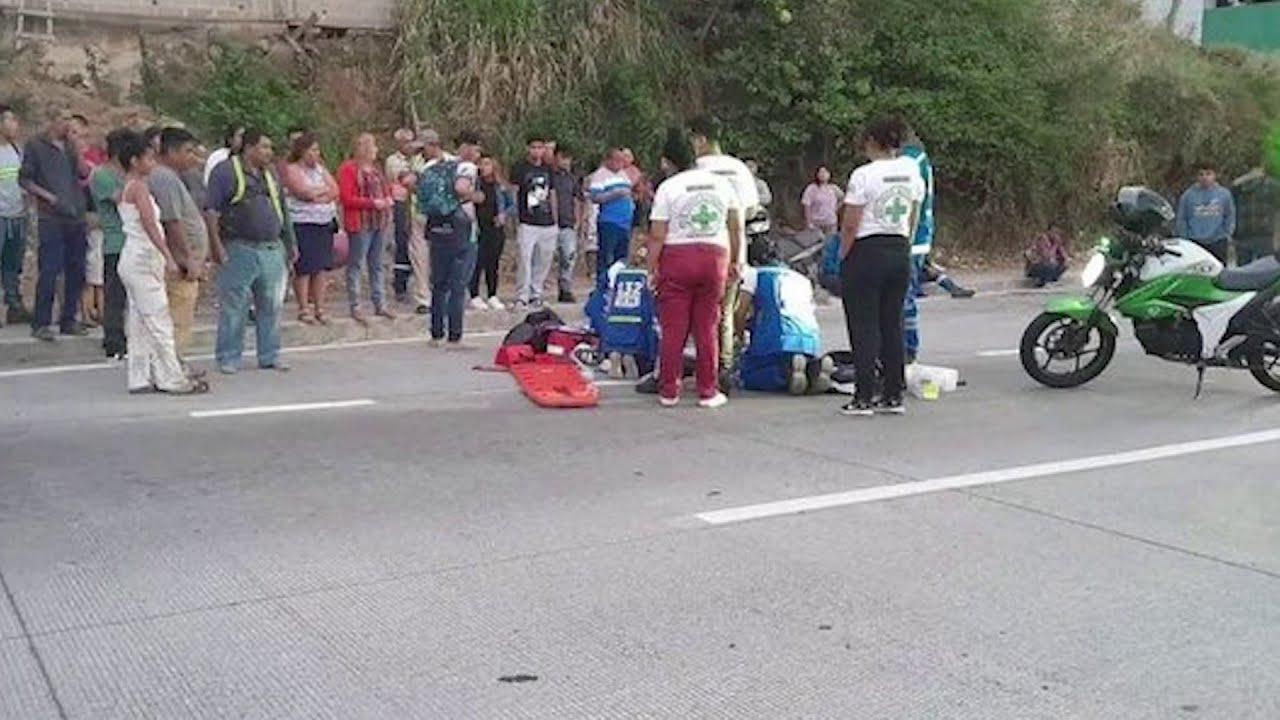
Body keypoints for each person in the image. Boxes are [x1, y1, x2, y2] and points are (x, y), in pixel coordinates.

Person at [837, 115, 926, 417]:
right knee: (892, 323)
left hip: (867, 248)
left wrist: (844, 256)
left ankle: (863, 395)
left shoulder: (864, 175)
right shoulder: (912, 171)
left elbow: (851, 224)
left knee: (864, 325)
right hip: (899, 247)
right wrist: (906, 244)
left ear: (872, 141)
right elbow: (913, 213)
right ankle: (893, 394)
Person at [648, 128, 742, 409]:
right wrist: (737, 260)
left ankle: (668, 390)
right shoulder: (722, 185)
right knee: (707, 325)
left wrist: (651, 268)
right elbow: (735, 226)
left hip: (678, 257)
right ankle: (708, 390)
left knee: (673, 327)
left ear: (668, 161)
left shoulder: (668, 188)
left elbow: (657, 235)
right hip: (715, 256)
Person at [115, 131, 208, 395]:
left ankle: (139, 375)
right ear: (135, 161)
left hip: (134, 257)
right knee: (159, 320)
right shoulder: (140, 188)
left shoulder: (127, 187)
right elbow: (151, 225)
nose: (153, 162)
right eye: (148, 158)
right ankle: (171, 378)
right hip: (144, 258)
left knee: (139, 321)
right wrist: (168, 255)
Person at [205, 128, 296, 374]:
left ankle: (270, 354)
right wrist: (216, 247)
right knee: (235, 305)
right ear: (249, 147)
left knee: (271, 303)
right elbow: (212, 211)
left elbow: (283, 210)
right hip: (238, 247)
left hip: (271, 248)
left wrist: (290, 243)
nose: (269, 152)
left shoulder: (271, 174)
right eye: (264, 147)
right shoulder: (225, 172)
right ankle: (228, 356)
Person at [690, 115, 761, 392]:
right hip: (733, 245)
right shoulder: (739, 168)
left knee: (695, 308)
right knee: (725, 310)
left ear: (701, 139)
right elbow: (752, 210)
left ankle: (700, 366)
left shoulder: (694, 168)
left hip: (697, 244)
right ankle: (724, 368)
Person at [21, 107, 90, 341]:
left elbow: (82, 173)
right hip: (50, 216)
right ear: (52, 121)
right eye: (63, 120)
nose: (67, 126)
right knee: (50, 268)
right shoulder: (35, 146)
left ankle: (68, 318)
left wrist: (77, 149)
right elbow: (25, 179)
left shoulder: (70, 147)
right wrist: (49, 197)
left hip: (75, 213)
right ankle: (41, 322)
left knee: (76, 268)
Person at [735, 241, 829, 395]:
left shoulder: (753, 274)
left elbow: (740, 311)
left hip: (777, 338)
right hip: (809, 340)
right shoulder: (801, 279)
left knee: (749, 374)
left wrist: (738, 339)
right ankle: (813, 368)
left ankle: (784, 372)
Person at [149, 127, 208, 359]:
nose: (192, 157)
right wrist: (187, 258)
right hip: (179, 263)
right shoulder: (164, 178)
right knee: (177, 319)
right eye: (188, 151)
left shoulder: (172, 177)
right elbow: (172, 222)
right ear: (171, 151)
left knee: (180, 319)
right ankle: (171, 366)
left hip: (182, 259)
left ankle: (172, 364)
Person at [417, 130, 477, 348]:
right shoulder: (465, 167)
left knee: (439, 283)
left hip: (436, 228)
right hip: (461, 229)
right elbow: (462, 188)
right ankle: (455, 335)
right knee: (458, 284)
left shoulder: (428, 168)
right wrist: (473, 195)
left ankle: (435, 333)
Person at [337, 132, 395, 325]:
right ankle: (355, 304)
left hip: (379, 222)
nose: (376, 150)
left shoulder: (376, 170)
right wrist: (372, 203)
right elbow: (346, 197)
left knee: (377, 264)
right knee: (357, 263)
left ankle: (380, 303)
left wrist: (387, 199)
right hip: (360, 222)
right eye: (373, 147)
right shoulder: (348, 169)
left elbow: (385, 189)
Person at [281, 132, 338, 325]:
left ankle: (320, 307)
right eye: (312, 150)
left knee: (321, 267)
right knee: (304, 267)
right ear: (302, 151)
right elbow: (303, 193)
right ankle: (303, 307)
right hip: (302, 223)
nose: (316, 153)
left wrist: (319, 194)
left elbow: (334, 190)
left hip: (323, 222)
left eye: (317, 150)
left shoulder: (320, 170)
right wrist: (319, 193)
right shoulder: (292, 169)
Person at [90, 129, 130, 358]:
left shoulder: (126, 174)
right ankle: (113, 341)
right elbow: (122, 198)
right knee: (115, 295)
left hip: (131, 241)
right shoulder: (102, 175)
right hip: (115, 241)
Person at [510, 134, 558, 309]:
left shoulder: (548, 169)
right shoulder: (520, 168)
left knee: (544, 258)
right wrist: (515, 217)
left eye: (540, 147)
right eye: (534, 147)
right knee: (525, 258)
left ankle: (536, 292)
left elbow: (552, 193)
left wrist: (555, 218)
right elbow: (514, 192)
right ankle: (522, 294)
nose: (537, 151)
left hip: (547, 221)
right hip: (527, 220)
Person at [900, 134, 935, 364]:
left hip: (910, 242)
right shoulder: (919, 158)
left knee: (904, 297)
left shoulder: (909, 161)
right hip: (918, 240)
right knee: (905, 295)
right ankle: (904, 347)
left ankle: (907, 348)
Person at [73, 115, 107, 329]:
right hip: (80, 217)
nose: (81, 140)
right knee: (86, 269)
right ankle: (84, 312)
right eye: (76, 134)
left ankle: (100, 311)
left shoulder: (96, 157)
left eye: (84, 135)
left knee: (98, 268)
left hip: (98, 219)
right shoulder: (69, 158)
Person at [588, 148, 636, 295]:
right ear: (608, 160)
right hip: (609, 221)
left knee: (621, 257)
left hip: (625, 222)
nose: (620, 163)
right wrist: (614, 194)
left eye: (622, 160)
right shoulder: (600, 175)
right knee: (606, 255)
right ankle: (602, 287)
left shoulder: (623, 174)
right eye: (617, 160)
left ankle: (617, 286)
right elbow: (595, 197)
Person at [0, 104, 31, 326]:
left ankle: (14, 305)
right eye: (9, 120)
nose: (14, 125)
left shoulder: (17, 150)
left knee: (13, 264)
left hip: (17, 216)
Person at [469, 154, 510, 309]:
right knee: (477, 261)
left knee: (493, 263)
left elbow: (510, 203)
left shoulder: (500, 186)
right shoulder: (475, 184)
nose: (483, 167)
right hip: (478, 227)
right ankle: (474, 294)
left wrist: (503, 214)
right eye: (481, 164)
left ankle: (492, 294)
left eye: (487, 164)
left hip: (495, 227)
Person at [1175, 162, 1236, 264]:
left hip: (1218, 241)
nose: (1205, 177)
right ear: (1196, 177)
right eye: (1201, 174)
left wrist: (1226, 233)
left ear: (1215, 175)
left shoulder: (1224, 194)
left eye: (1208, 174)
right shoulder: (1188, 196)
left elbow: (1230, 215)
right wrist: (1185, 239)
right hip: (1195, 242)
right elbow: (1182, 219)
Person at [385, 128, 420, 304]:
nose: (409, 145)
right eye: (405, 141)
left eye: (411, 141)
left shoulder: (416, 160)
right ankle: (400, 285)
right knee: (402, 243)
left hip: (416, 204)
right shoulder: (393, 161)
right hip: (401, 204)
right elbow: (405, 179)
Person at [551, 144, 582, 304]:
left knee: (568, 256)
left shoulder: (572, 178)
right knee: (547, 257)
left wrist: (577, 219)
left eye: (568, 158)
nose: (566, 161)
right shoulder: (550, 176)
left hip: (568, 223)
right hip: (550, 223)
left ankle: (565, 288)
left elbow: (577, 199)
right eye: (563, 157)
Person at [1230, 166, 1278, 265]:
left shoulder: (1272, 185)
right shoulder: (1239, 186)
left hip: (1264, 235)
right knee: (1243, 271)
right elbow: (1229, 195)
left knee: (1266, 269)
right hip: (1242, 236)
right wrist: (1246, 178)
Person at [802, 166, 843, 238]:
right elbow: (806, 205)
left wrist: (836, 208)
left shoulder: (833, 188)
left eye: (825, 172)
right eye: (821, 172)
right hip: (816, 223)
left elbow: (843, 198)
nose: (823, 174)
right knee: (819, 244)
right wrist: (809, 222)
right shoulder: (812, 188)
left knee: (831, 244)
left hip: (831, 222)